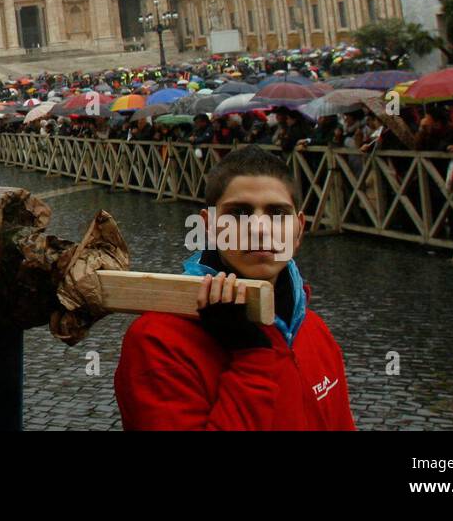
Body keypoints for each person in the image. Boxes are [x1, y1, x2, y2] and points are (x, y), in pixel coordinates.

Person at [114, 146, 355, 430]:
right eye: (239, 213)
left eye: (277, 213)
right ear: (210, 226)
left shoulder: (315, 331)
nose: (260, 228)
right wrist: (252, 357)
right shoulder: (157, 341)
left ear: (299, 229)